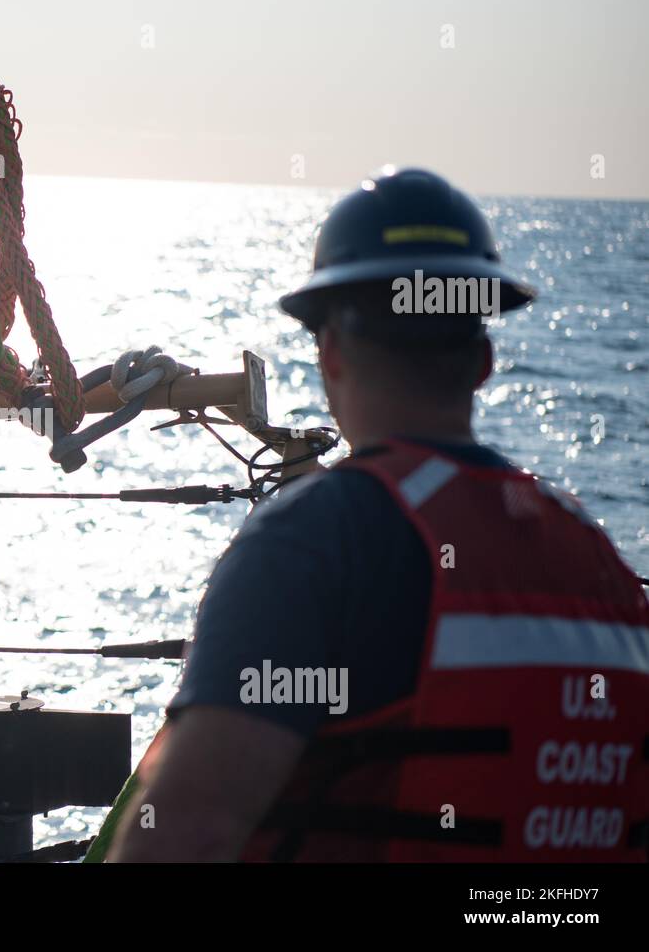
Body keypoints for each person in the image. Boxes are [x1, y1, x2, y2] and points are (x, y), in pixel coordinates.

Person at [109, 167, 649, 862]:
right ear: (483, 360)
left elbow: (189, 835)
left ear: (329, 354)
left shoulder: (314, 542)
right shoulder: (598, 563)